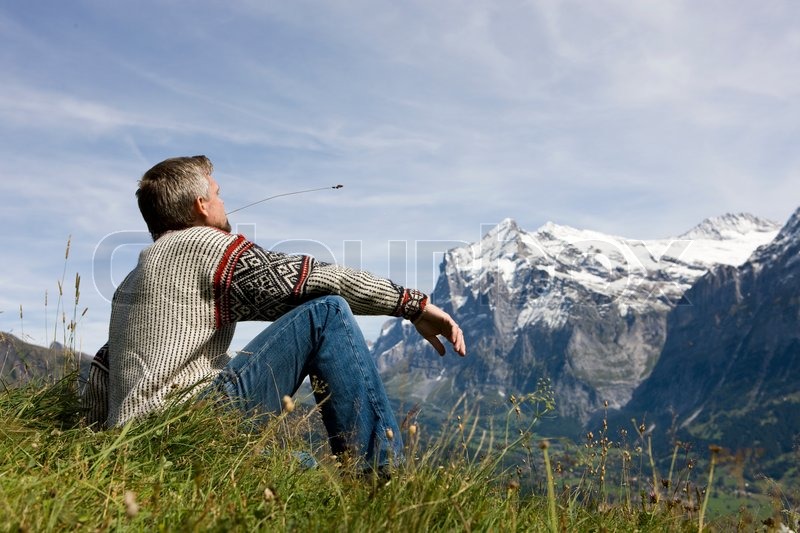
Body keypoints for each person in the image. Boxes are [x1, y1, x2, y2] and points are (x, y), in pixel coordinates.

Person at [81, 155, 466, 471]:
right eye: (218, 194)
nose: (222, 202)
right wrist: (413, 305)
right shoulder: (203, 245)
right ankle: (382, 483)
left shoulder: (131, 282)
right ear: (201, 205)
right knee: (328, 313)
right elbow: (311, 279)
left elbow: (103, 370)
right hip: (189, 422)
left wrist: (108, 455)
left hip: (140, 448)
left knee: (300, 468)